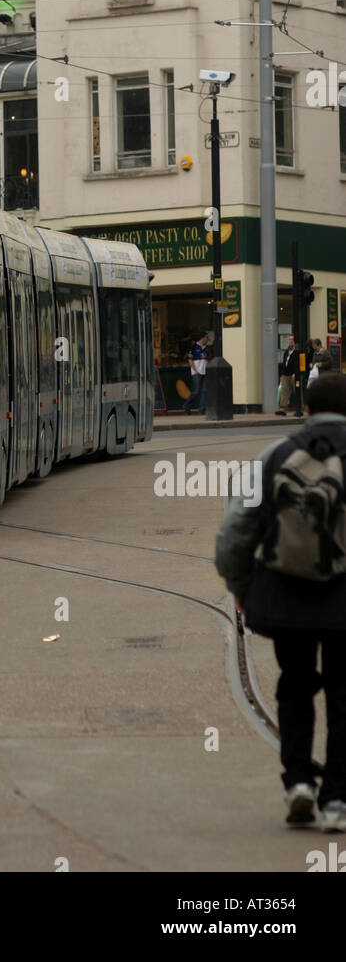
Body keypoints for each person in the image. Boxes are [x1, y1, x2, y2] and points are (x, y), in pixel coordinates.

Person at [215, 372, 346, 828]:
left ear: (306, 410)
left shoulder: (275, 455)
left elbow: (235, 531)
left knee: (294, 685)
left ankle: (298, 783)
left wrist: (240, 587)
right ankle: (337, 801)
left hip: (288, 594)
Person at [182, 332, 208, 415]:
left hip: (204, 372)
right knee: (196, 391)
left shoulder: (206, 348)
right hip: (197, 372)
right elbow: (190, 359)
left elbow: (207, 359)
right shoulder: (193, 347)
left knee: (204, 391)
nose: (208, 339)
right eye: (206, 338)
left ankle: (201, 409)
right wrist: (195, 370)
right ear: (202, 338)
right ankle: (187, 405)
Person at [277, 335, 301, 417]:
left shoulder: (298, 351)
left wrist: (296, 373)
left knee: (297, 391)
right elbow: (284, 363)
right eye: (289, 340)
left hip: (294, 375)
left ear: (294, 341)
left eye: (292, 340)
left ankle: (299, 409)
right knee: (284, 392)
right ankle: (282, 409)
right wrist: (282, 374)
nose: (291, 341)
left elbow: (299, 363)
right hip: (286, 374)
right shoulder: (286, 351)